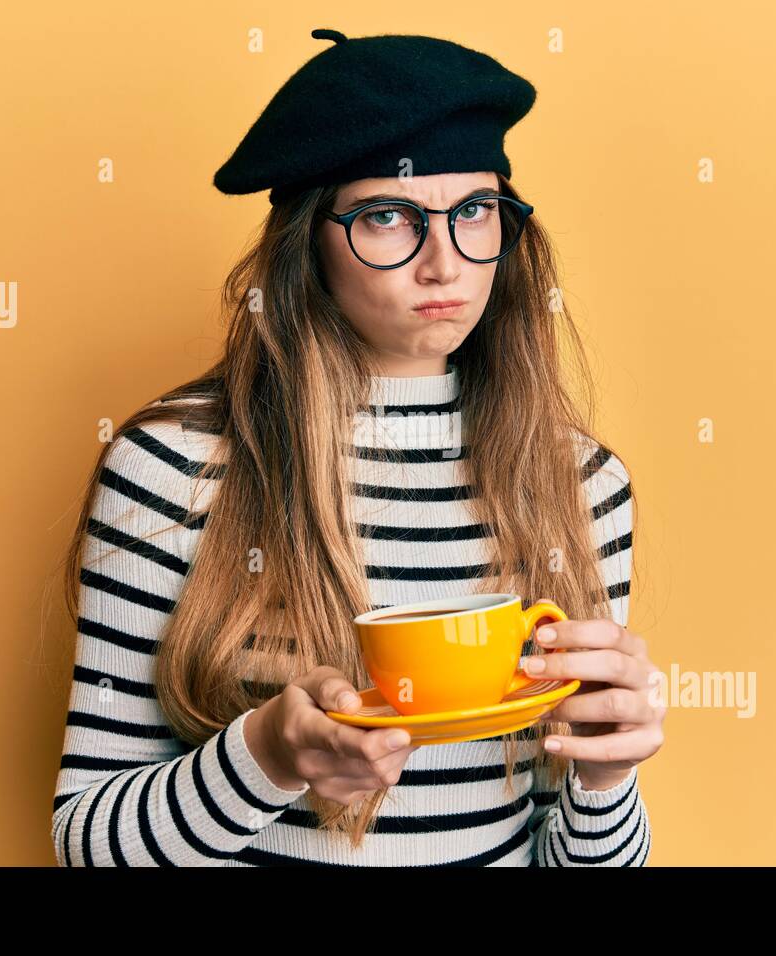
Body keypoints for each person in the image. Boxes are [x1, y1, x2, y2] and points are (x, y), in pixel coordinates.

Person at [51, 27, 664, 866]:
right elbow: (86, 843)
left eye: (476, 212)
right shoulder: (173, 469)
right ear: (309, 246)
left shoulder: (581, 484)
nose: (445, 264)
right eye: (389, 217)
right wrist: (264, 756)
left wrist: (606, 779)